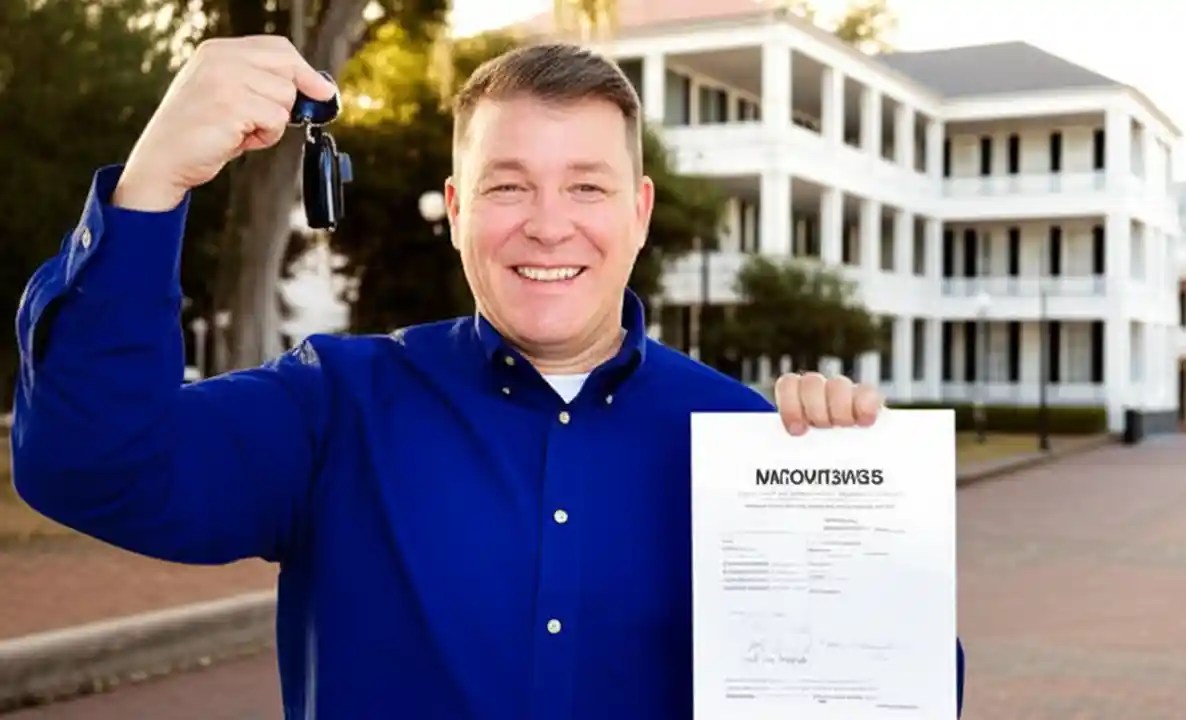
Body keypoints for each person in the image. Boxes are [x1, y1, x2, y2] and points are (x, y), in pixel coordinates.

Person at [10, 37, 963, 717]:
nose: (548, 225)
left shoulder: (747, 445)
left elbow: (895, 697)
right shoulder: (334, 406)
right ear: (458, 209)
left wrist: (856, 521)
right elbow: (92, 468)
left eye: (586, 186)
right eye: (509, 185)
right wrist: (152, 185)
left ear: (638, 212)